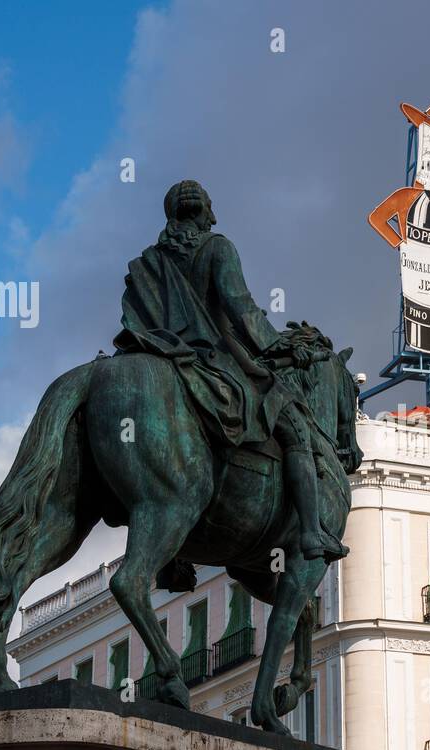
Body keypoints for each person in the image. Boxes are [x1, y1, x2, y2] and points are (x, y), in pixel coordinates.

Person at [114, 179, 346, 561]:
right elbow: (242, 308)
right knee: (296, 429)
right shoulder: (216, 247)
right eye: (209, 208)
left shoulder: (152, 259)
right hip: (218, 358)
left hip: (164, 354)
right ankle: (311, 532)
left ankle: (174, 559)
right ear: (205, 212)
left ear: (172, 215)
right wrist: (280, 345)